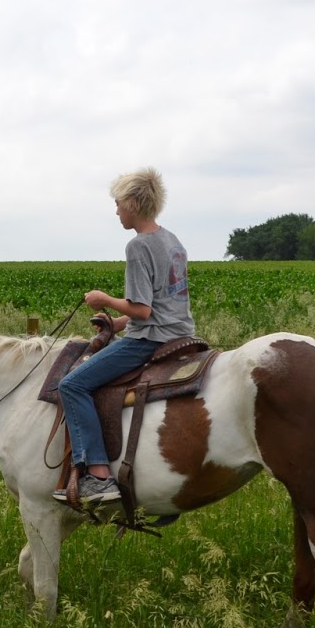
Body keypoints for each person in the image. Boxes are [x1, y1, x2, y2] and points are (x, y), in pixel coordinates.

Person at [54, 168, 195, 506]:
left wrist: (103, 300)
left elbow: (143, 310)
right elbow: (160, 304)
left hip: (150, 341)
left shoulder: (138, 246)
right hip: (180, 335)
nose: (116, 211)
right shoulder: (172, 240)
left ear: (133, 203)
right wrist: (116, 324)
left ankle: (99, 476)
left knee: (71, 385)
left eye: (118, 204)